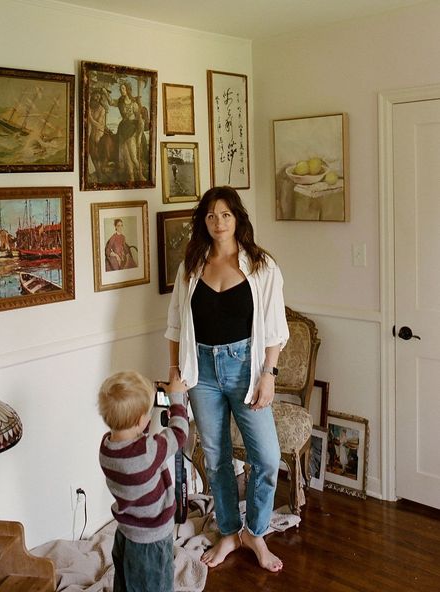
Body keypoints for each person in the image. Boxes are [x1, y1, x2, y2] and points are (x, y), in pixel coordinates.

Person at [165, 185, 289, 573]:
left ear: (238, 219)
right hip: (200, 372)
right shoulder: (191, 265)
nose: (218, 222)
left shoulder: (261, 266)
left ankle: (256, 531)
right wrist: (175, 374)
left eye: (226, 215)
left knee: (266, 458)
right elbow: (174, 327)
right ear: (203, 221)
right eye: (211, 215)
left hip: (245, 368)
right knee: (217, 458)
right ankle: (229, 532)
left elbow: (275, 328)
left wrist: (268, 375)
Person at [98, 370, 189, 592]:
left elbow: (136, 435)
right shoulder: (148, 453)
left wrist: (142, 418)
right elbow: (179, 432)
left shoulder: (106, 448)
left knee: (126, 582)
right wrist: (176, 398)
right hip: (152, 541)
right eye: (147, 415)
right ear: (140, 421)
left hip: (126, 533)